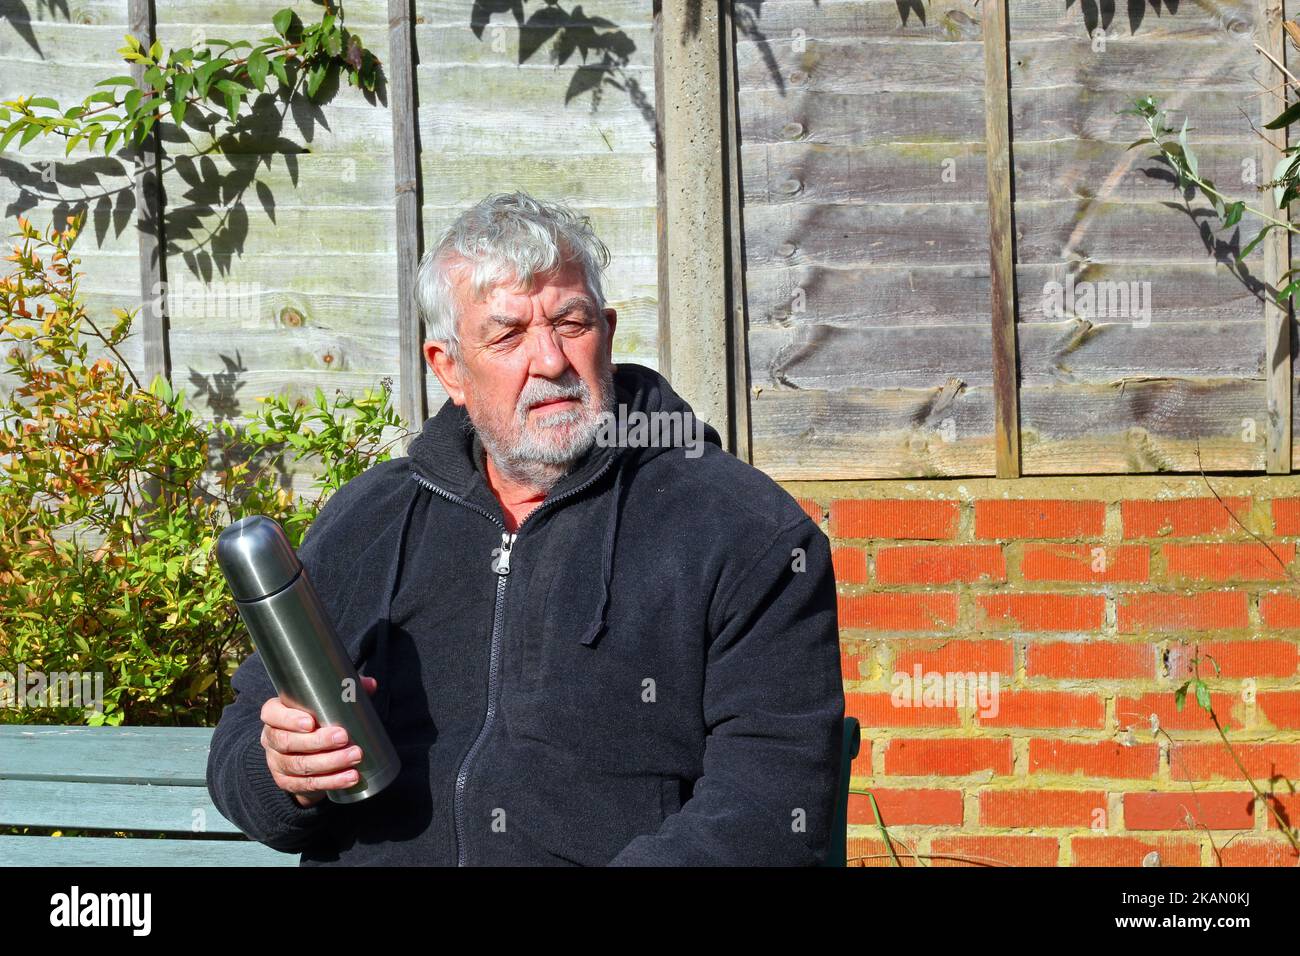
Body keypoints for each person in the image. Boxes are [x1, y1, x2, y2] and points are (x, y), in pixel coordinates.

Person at [205, 191, 845, 865]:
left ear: (609, 332)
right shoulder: (369, 519)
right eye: (508, 335)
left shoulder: (745, 531)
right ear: (448, 368)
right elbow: (243, 753)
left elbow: (769, 804)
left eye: (572, 323)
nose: (550, 362)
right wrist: (285, 772)